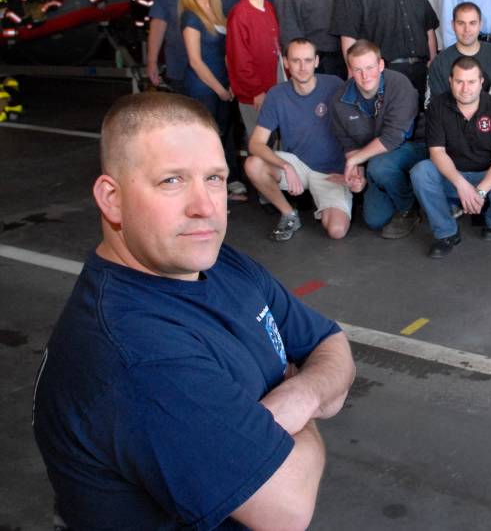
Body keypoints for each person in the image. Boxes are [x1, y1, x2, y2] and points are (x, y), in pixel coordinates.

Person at [32, 91, 356, 529]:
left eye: (215, 179)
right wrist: (308, 392)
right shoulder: (135, 354)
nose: (205, 207)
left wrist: (300, 396)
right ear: (111, 199)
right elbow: (288, 507)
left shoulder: (221, 263)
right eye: (172, 180)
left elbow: (329, 341)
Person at [411, 56, 491, 257]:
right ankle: (446, 232)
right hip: (453, 176)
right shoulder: (437, 106)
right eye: (459, 81)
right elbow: (437, 152)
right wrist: (462, 185)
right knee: (421, 172)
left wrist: (480, 191)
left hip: (489, 176)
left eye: (471, 81)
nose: (465, 88)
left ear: (481, 82)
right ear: (450, 81)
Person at [245, 38, 351, 242]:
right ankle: (288, 214)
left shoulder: (335, 85)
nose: (302, 67)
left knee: (337, 231)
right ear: (286, 62)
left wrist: (354, 166)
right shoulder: (277, 94)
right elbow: (255, 143)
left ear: (317, 61)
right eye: (296, 61)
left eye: (308, 60)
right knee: (253, 164)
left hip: (330, 172)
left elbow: (355, 128)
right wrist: (285, 165)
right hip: (297, 164)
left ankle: (323, 203)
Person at [331, 40, 426, 238]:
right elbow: (347, 142)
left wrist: (355, 161)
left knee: (380, 166)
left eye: (370, 67)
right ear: (350, 70)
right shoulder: (340, 98)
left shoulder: (399, 84)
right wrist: (357, 173)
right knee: (375, 220)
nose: (365, 76)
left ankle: (408, 209)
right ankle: (407, 191)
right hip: (375, 159)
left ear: (381, 65)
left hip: (414, 148)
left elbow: (393, 138)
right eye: (358, 70)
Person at [178, 0, 246, 201]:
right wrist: (219, 89)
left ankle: (230, 181)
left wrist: (231, 83)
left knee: (225, 135)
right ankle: (207, 192)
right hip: (204, 89)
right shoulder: (191, 17)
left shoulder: (217, 11)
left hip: (223, 86)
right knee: (207, 141)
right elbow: (195, 61)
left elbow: (226, 53)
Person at [226, 0, 281, 138]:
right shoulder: (239, 15)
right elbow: (239, 58)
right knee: (260, 143)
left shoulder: (268, 7)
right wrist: (256, 91)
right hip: (255, 95)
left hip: (273, 89)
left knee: (274, 139)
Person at [426, 1, 491, 105]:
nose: (467, 29)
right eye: (461, 23)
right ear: (453, 25)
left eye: (472, 23)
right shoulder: (440, 63)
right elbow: (436, 106)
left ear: (480, 24)